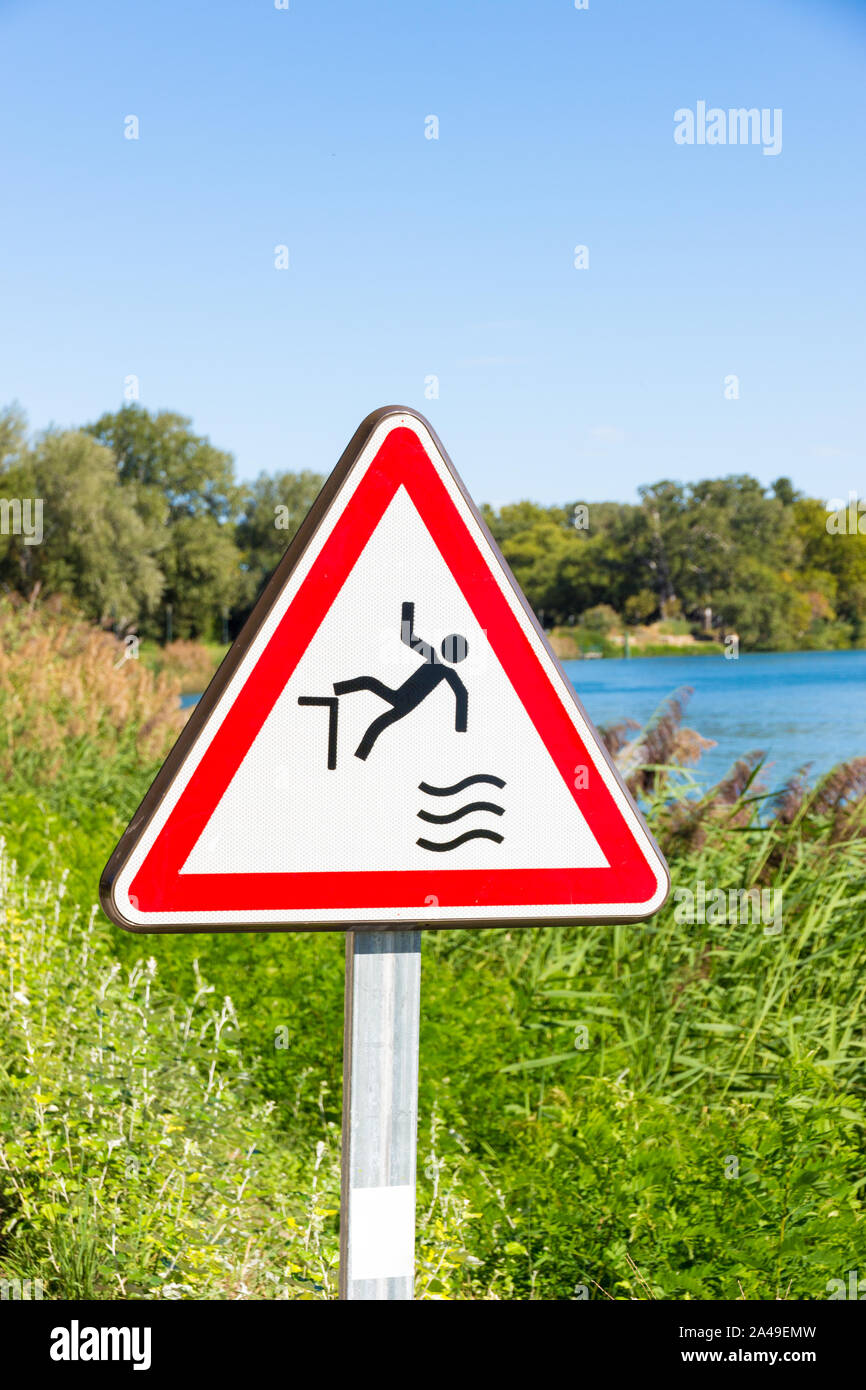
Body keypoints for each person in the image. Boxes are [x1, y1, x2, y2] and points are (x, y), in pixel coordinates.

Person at [334, 602, 468, 760]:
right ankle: (332, 690)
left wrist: (460, 727)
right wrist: (407, 610)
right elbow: (407, 637)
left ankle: (358, 758)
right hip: (401, 698)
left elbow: (461, 694)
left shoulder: (446, 670)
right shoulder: (433, 656)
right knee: (370, 693)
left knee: (377, 721)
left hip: (405, 703)